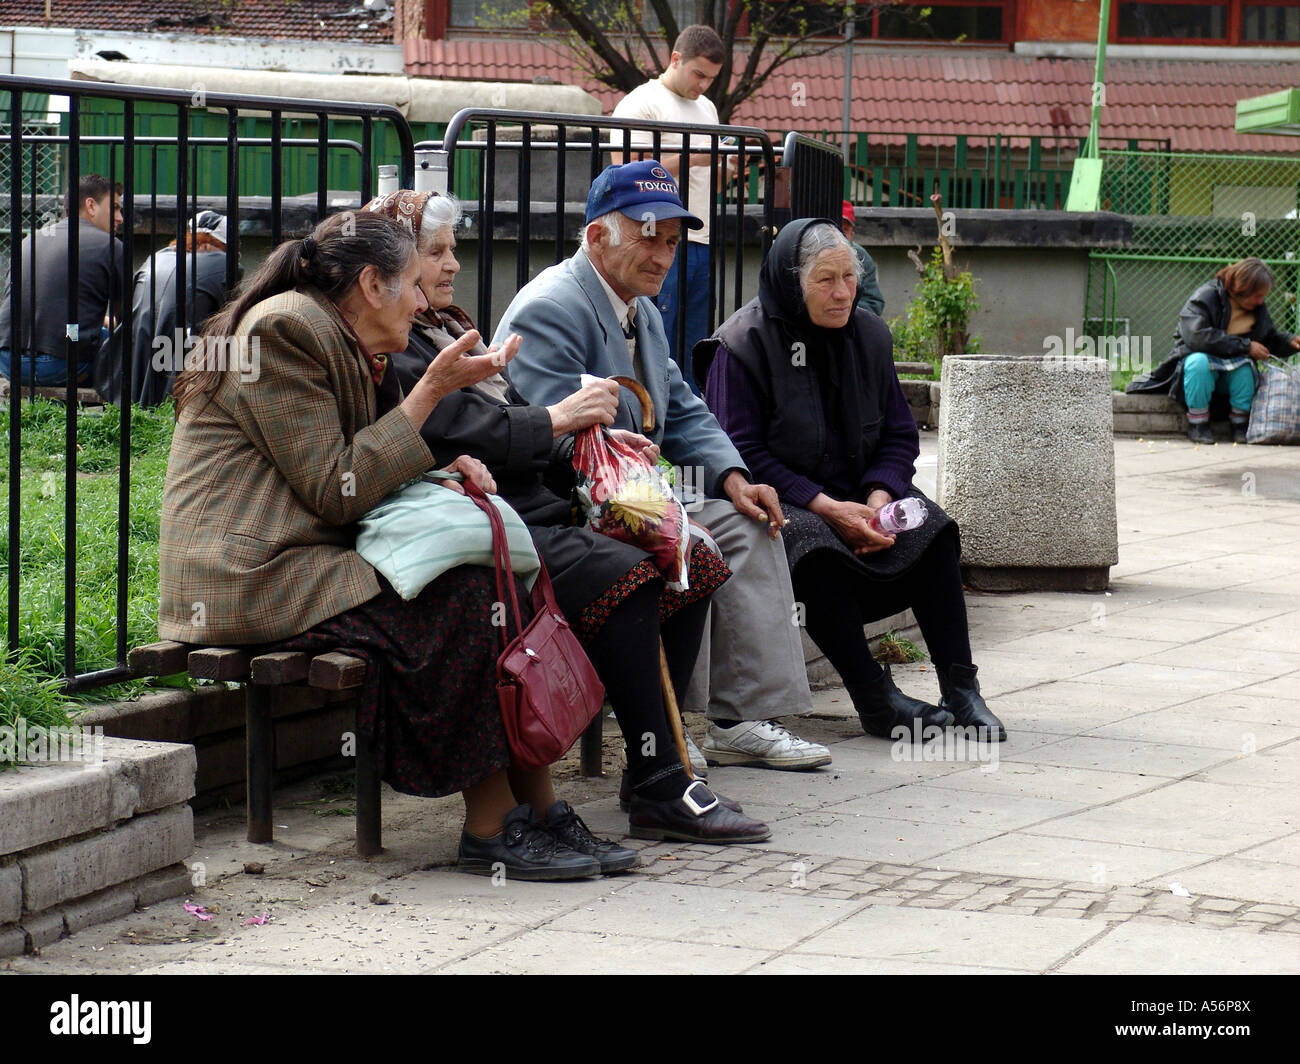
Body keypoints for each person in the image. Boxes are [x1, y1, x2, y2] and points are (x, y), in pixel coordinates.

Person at [159, 211, 608, 880]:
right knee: (459, 598)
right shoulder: (286, 330)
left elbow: (343, 463)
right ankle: (489, 826)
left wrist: (436, 468)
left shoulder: (334, 332)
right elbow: (337, 486)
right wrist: (430, 391)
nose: (425, 301)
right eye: (411, 284)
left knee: (491, 583)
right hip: (250, 572)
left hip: (303, 553)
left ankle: (540, 810)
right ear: (372, 283)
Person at [366, 188, 770, 847]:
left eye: (451, 251)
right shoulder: (408, 341)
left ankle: (656, 761)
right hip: (492, 517)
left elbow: (526, 418)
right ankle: (660, 776)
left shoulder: (446, 324)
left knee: (689, 558)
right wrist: (566, 425)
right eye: (433, 255)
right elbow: (473, 429)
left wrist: (605, 451)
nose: (450, 267)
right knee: (632, 572)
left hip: (537, 504)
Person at [499, 160, 832, 773]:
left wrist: (734, 478)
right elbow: (563, 440)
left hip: (634, 488)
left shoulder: (642, 309)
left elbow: (680, 404)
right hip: (572, 502)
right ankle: (662, 727)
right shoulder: (551, 306)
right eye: (649, 236)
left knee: (747, 519)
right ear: (599, 236)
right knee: (689, 537)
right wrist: (662, 497)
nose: (663, 255)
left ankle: (744, 717)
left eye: (673, 242)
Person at [695, 217, 1007, 742]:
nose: (842, 293)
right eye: (825, 279)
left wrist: (878, 498)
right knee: (810, 546)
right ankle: (873, 697)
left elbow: (900, 436)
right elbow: (739, 451)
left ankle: (961, 687)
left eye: (850, 276)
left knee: (932, 527)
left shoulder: (868, 335)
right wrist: (825, 506)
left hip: (863, 497)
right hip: (789, 503)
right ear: (791, 282)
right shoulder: (743, 344)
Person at [611, 24, 731, 393]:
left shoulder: (707, 108)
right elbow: (627, 164)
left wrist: (726, 168)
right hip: (653, 235)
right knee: (654, 334)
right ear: (675, 59)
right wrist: (695, 158)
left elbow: (708, 180)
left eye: (711, 78)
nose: (704, 85)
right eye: (699, 74)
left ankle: (684, 424)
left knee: (693, 341)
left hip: (699, 235)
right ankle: (650, 419)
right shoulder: (640, 102)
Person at [1126, 257, 1299, 444]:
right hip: (1198, 370)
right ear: (1242, 289)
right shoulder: (1205, 297)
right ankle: (1198, 424)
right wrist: (1246, 346)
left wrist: (1290, 342)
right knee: (1199, 363)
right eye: (1257, 295)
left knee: (1244, 369)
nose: (1260, 301)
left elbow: (1268, 339)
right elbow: (1197, 336)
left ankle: (1239, 425)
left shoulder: (1257, 308)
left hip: (1230, 372)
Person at [0, 174, 125, 386]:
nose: (120, 217)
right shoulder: (111, 246)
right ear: (91, 205)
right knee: (118, 345)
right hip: (63, 365)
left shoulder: (30, 239)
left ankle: (51, 413)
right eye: (114, 207)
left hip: (8, 361)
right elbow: (125, 322)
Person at [126, 210, 234, 406]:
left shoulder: (157, 257)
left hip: (136, 367)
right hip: (182, 373)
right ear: (213, 244)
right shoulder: (222, 264)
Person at [842, 200, 885, 316]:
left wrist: (845, 310)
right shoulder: (815, 254)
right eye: (837, 227)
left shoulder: (862, 258)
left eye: (845, 229)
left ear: (852, 234)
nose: (840, 234)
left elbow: (874, 303)